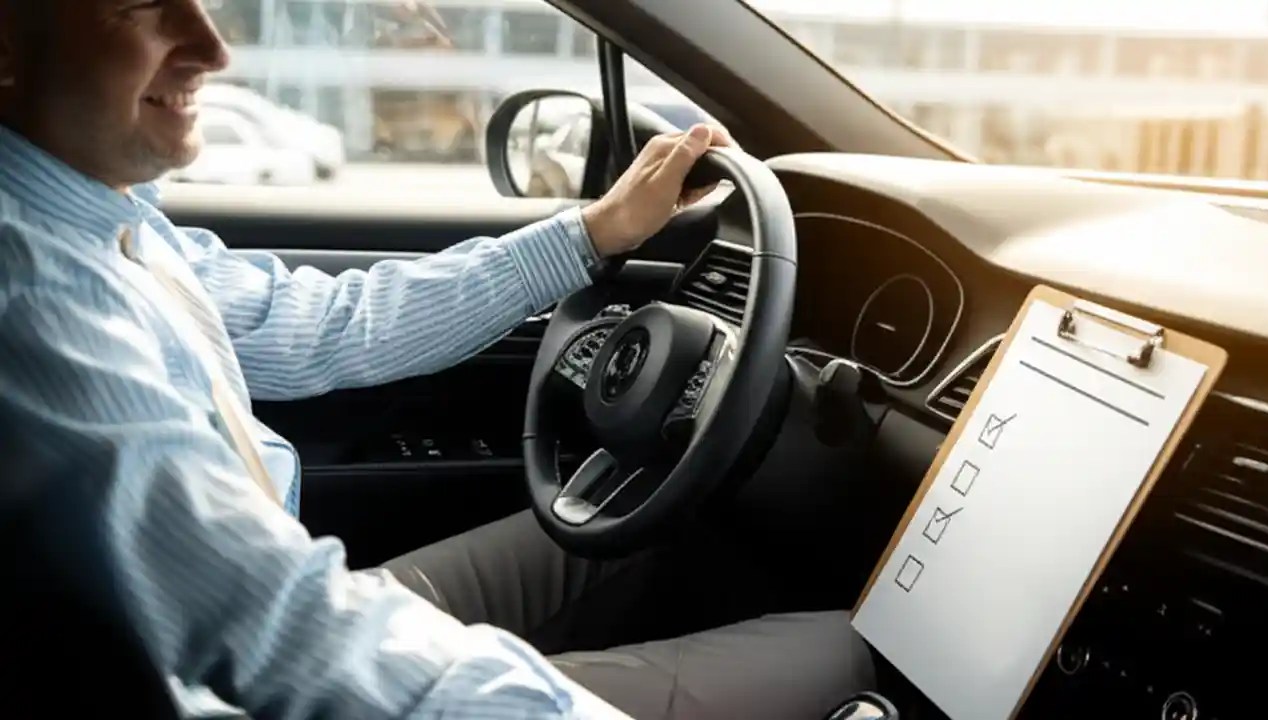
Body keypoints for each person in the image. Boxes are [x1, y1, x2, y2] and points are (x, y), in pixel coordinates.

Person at [0, 1, 875, 718]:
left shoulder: (100, 221)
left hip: (280, 613)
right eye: (147, 11)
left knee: (673, 521)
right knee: (856, 656)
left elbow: (328, 323)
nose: (211, 49)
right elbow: (270, 625)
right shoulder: (29, 295)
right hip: (247, 678)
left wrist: (593, 234)